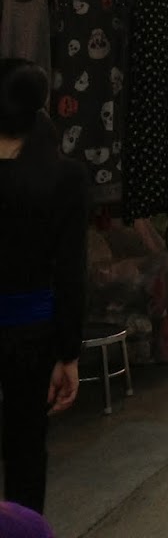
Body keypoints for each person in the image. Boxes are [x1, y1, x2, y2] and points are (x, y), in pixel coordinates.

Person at [0, 59, 87, 514]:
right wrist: (68, 353)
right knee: (26, 455)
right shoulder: (64, 176)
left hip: (27, 331)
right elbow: (71, 273)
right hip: (31, 340)